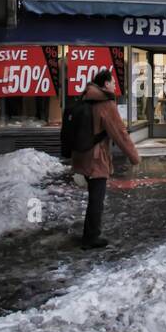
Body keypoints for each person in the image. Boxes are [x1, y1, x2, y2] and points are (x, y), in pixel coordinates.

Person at [63, 69, 139, 248]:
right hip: (96, 158)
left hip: (81, 154)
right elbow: (120, 134)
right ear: (105, 84)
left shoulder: (86, 98)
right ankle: (91, 237)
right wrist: (134, 157)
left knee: (93, 197)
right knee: (97, 198)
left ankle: (89, 233)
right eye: (113, 82)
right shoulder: (106, 104)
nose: (114, 85)